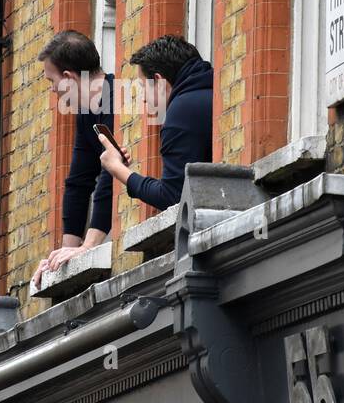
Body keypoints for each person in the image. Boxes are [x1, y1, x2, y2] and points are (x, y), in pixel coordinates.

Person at [31, 31, 115, 289]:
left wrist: (88, 245)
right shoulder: (87, 113)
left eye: (52, 81)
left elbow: (113, 174)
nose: (54, 90)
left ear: (68, 77)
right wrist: (64, 254)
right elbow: (79, 181)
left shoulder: (117, 102)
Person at [97, 34, 213, 210]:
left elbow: (172, 197)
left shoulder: (181, 112)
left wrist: (116, 168)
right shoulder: (211, 91)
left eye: (143, 87)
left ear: (158, 81)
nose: (143, 99)